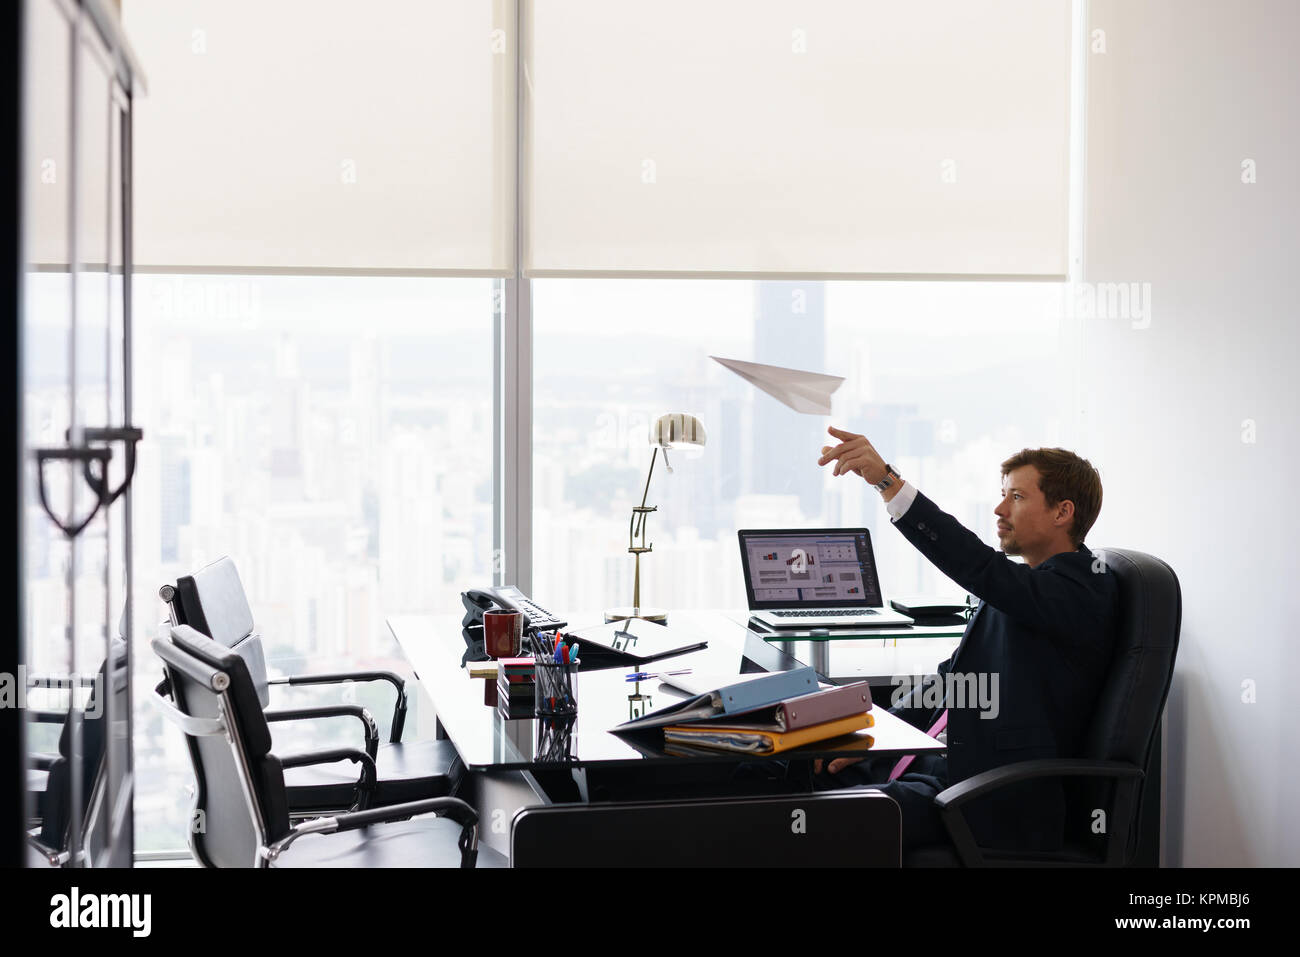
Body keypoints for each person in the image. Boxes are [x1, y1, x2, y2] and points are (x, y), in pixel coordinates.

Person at [813, 426, 1119, 854]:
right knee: (786, 777)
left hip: (979, 794)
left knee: (814, 819)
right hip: (928, 765)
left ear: (1061, 512)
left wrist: (888, 483)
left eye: (1016, 497)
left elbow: (978, 565)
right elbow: (951, 681)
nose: (999, 509)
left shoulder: (1079, 590)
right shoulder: (1025, 588)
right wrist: (873, 736)